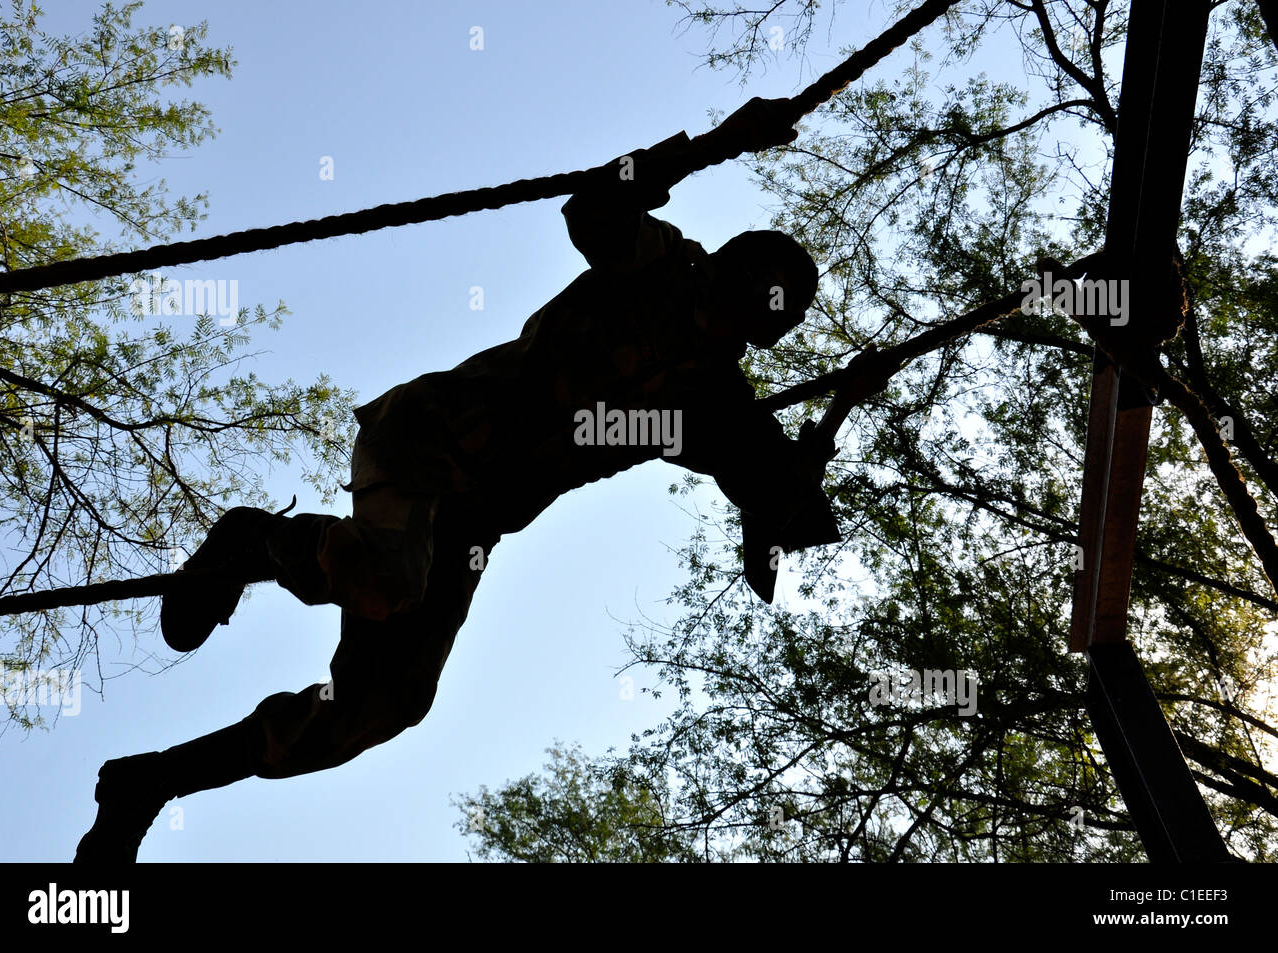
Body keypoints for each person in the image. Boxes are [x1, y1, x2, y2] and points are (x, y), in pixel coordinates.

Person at [74, 98, 842, 862]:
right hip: (429, 440)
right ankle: (253, 539)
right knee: (388, 574)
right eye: (764, 282)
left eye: (780, 308)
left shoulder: (713, 405)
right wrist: (715, 143)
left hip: (469, 528)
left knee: (383, 704)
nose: (763, 307)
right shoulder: (655, 266)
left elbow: (779, 499)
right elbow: (597, 204)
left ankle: (148, 783)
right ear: (731, 264)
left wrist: (833, 425)